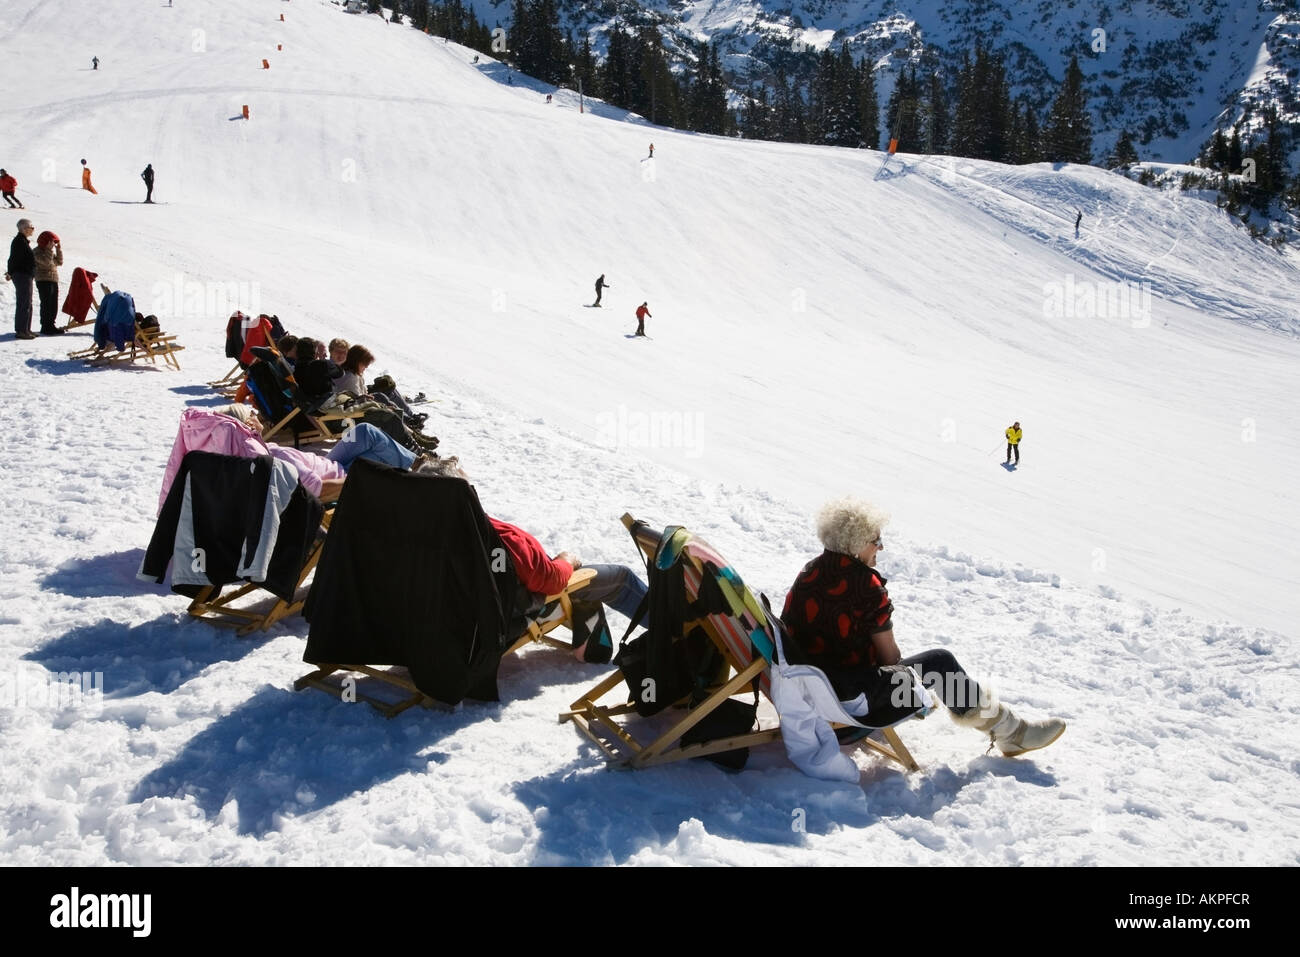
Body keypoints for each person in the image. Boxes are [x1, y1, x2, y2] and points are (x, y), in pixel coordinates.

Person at [781, 497, 1066, 756]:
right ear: (856, 543)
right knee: (940, 663)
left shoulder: (810, 571)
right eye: (876, 540)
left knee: (923, 666)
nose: (881, 546)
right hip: (852, 702)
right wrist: (911, 687)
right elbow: (889, 659)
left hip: (809, 687)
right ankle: (1012, 733)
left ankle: (1008, 729)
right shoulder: (866, 586)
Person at [414, 456, 649, 640]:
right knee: (621, 579)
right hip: (497, 617)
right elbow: (550, 580)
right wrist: (567, 561)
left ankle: (587, 628)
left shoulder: (410, 535)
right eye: (470, 489)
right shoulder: (493, 537)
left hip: (432, 627)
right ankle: (676, 628)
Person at [5, 218, 37, 339]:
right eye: (31, 227)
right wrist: (11, 272)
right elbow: (13, 260)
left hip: (25, 275)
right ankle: (21, 331)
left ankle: (26, 329)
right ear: (24, 229)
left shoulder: (22, 241)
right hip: (22, 275)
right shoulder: (19, 242)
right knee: (24, 302)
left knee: (27, 302)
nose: (33, 229)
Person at [33, 231, 65, 336]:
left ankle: (51, 325)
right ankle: (45, 327)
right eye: (51, 242)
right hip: (43, 280)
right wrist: (48, 249)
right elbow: (46, 262)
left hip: (53, 280)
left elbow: (59, 262)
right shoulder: (37, 252)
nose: (53, 244)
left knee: (53, 304)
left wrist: (58, 249)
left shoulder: (50, 252)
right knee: (46, 304)